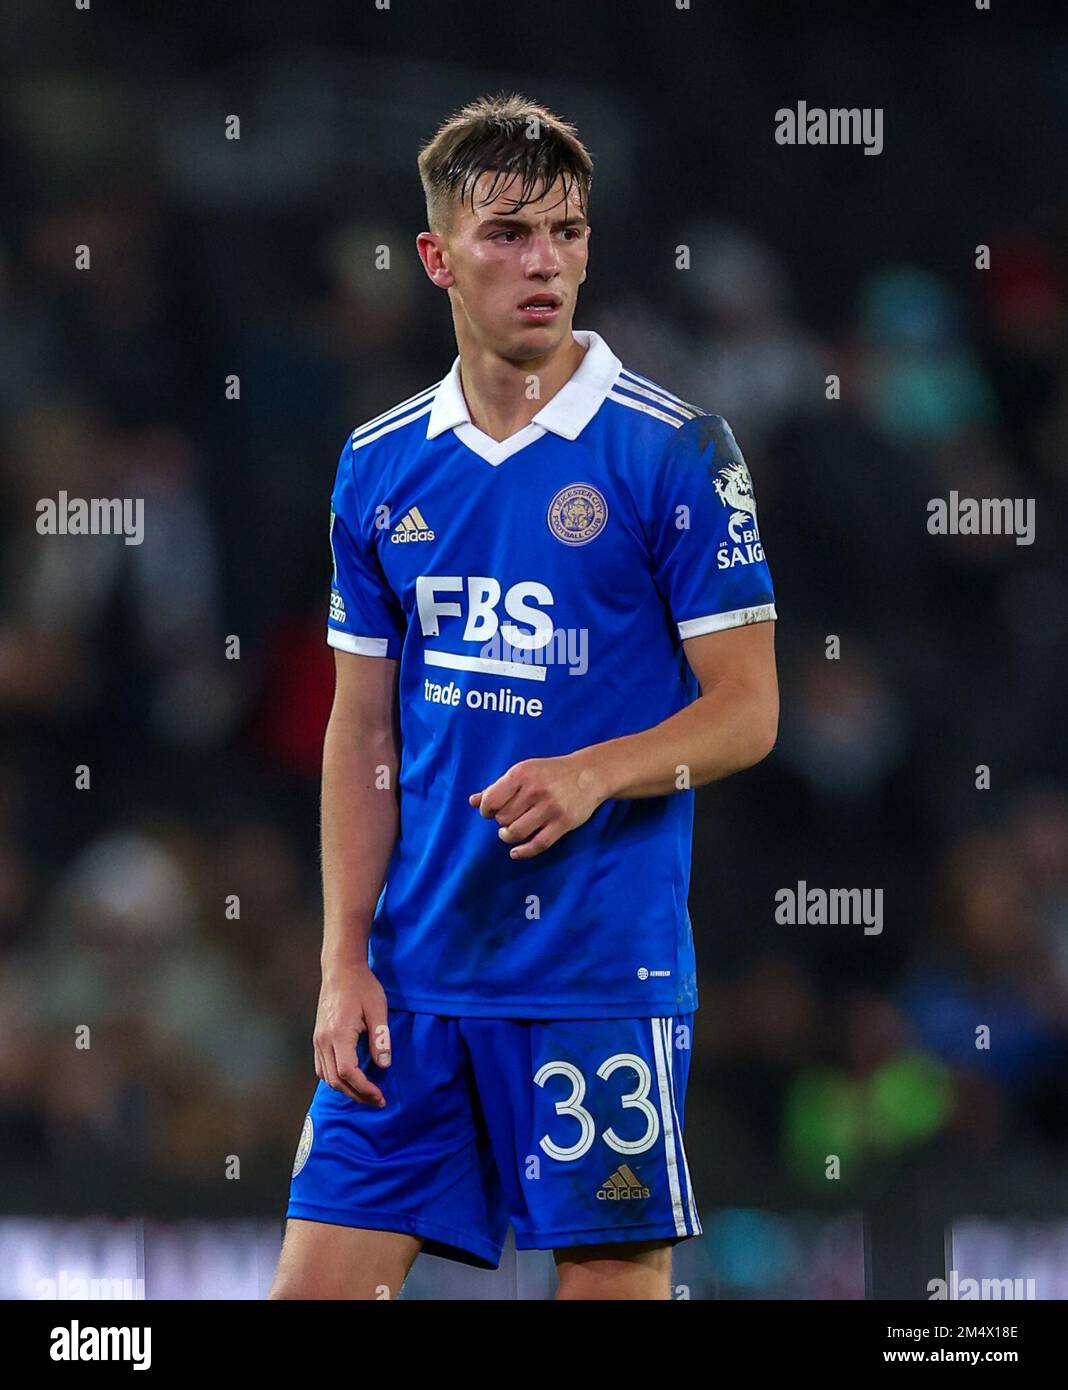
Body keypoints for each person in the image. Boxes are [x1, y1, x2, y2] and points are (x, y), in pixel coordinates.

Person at [269, 92, 779, 1301]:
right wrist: (344, 958)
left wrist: (595, 769)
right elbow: (362, 729)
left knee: (606, 1284)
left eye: (566, 231)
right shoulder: (380, 463)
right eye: (507, 234)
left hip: (597, 977)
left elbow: (748, 710)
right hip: (417, 976)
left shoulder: (676, 450)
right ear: (438, 258)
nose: (543, 261)